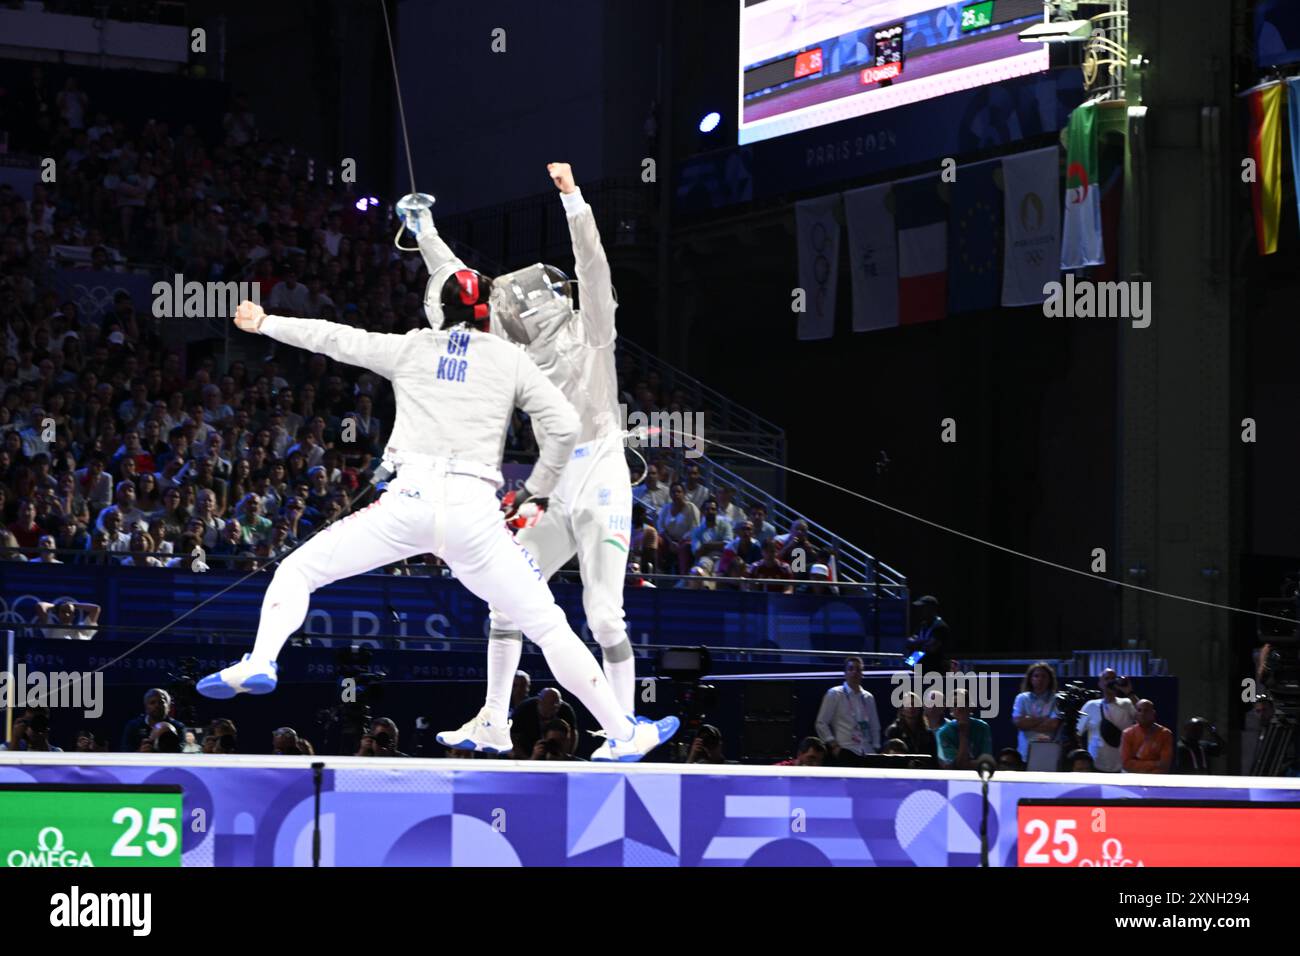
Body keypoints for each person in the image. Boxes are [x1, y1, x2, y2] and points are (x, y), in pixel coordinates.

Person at [195, 295, 676, 762]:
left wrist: (265, 322)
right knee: (549, 627)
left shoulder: (412, 346)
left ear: (435, 312)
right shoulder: (508, 357)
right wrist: (536, 490)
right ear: (485, 313)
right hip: (475, 516)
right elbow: (567, 425)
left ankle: (261, 658)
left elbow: (334, 338)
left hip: (410, 503)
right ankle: (622, 733)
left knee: (298, 570)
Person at [434, 163, 652, 756]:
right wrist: (426, 229)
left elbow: (594, 265)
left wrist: (574, 200)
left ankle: (621, 731)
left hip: (604, 472)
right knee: (505, 597)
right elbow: (463, 291)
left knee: (605, 615)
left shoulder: (595, 329)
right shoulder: (515, 353)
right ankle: (494, 722)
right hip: (555, 484)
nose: (523, 312)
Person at [814, 656, 881, 765]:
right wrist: (834, 745)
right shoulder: (834, 694)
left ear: (862, 673)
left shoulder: (868, 697)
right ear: (845, 672)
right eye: (851, 669)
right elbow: (821, 723)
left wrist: (876, 747)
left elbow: (875, 725)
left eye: (858, 669)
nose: (854, 672)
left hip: (867, 751)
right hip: (846, 749)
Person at [1075, 668, 1137, 772]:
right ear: (1100, 683)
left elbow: (1144, 714)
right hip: (1097, 766)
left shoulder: (1127, 704)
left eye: (1113, 678)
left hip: (1122, 767)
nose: (1110, 682)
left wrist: (1129, 692)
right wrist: (1083, 758)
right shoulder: (1091, 706)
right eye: (1107, 678)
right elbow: (1077, 733)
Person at [1011, 661, 1061, 763]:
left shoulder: (1057, 699)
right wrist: (1044, 719)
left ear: (1049, 680)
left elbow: (1053, 725)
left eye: (1044, 676)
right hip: (1025, 753)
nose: (1040, 679)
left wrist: (1029, 722)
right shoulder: (1022, 698)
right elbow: (1019, 722)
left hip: (1049, 752)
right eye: (1036, 676)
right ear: (1030, 679)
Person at [934, 690, 993, 770]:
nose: (959, 708)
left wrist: (966, 764)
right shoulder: (943, 733)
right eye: (955, 705)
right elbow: (958, 766)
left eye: (962, 704)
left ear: (970, 707)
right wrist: (963, 733)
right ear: (951, 710)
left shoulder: (983, 727)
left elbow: (985, 763)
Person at [1120, 699, 1174, 774]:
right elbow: (1126, 764)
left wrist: (1140, 767)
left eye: (1146, 710)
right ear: (1135, 713)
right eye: (1139, 710)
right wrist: (1155, 764)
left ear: (1153, 713)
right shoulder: (1127, 733)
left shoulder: (1165, 734)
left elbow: (1164, 765)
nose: (1142, 713)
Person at [906, 595, 952, 675]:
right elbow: (909, 643)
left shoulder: (940, 627)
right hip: (919, 669)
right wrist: (923, 642)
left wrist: (917, 643)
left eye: (923, 607)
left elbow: (931, 649)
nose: (920, 610)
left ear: (932, 608)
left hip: (935, 671)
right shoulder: (922, 625)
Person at [36, 599, 100, 640]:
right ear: (58, 614)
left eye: (70, 612)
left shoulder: (83, 631)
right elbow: (40, 606)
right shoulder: (51, 629)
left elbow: (95, 609)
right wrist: (57, 606)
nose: (67, 615)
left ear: (74, 616)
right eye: (63, 611)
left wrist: (73, 605)